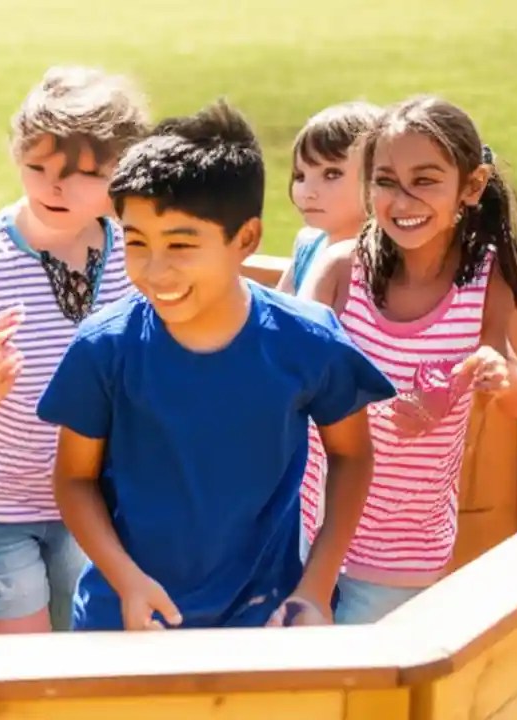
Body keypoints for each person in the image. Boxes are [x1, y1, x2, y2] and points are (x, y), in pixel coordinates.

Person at [36, 100, 396, 631]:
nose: (155, 270)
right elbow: (73, 479)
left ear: (245, 239)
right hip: (125, 621)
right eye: (137, 243)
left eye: (181, 244)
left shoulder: (308, 339)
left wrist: (315, 588)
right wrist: (127, 580)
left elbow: (352, 457)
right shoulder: (103, 347)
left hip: (263, 624)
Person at [298, 95, 517, 623]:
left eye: (426, 179)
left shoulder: (487, 279)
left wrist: (499, 375)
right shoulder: (341, 267)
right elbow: (286, 372)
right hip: (306, 534)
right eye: (386, 181)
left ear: (472, 186)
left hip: (402, 558)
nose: (402, 199)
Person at [0, 66, 148, 634]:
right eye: (37, 168)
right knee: (24, 666)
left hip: (90, 501)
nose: (54, 188)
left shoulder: (136, 254)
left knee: (86, 652)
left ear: (123, 173)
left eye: (84, 175)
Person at [275, 101, 383, 296]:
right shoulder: (308, 245)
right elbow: (280, 316)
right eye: (300, 176)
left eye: (331, 174)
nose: (308, 192)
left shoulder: (382, 265)